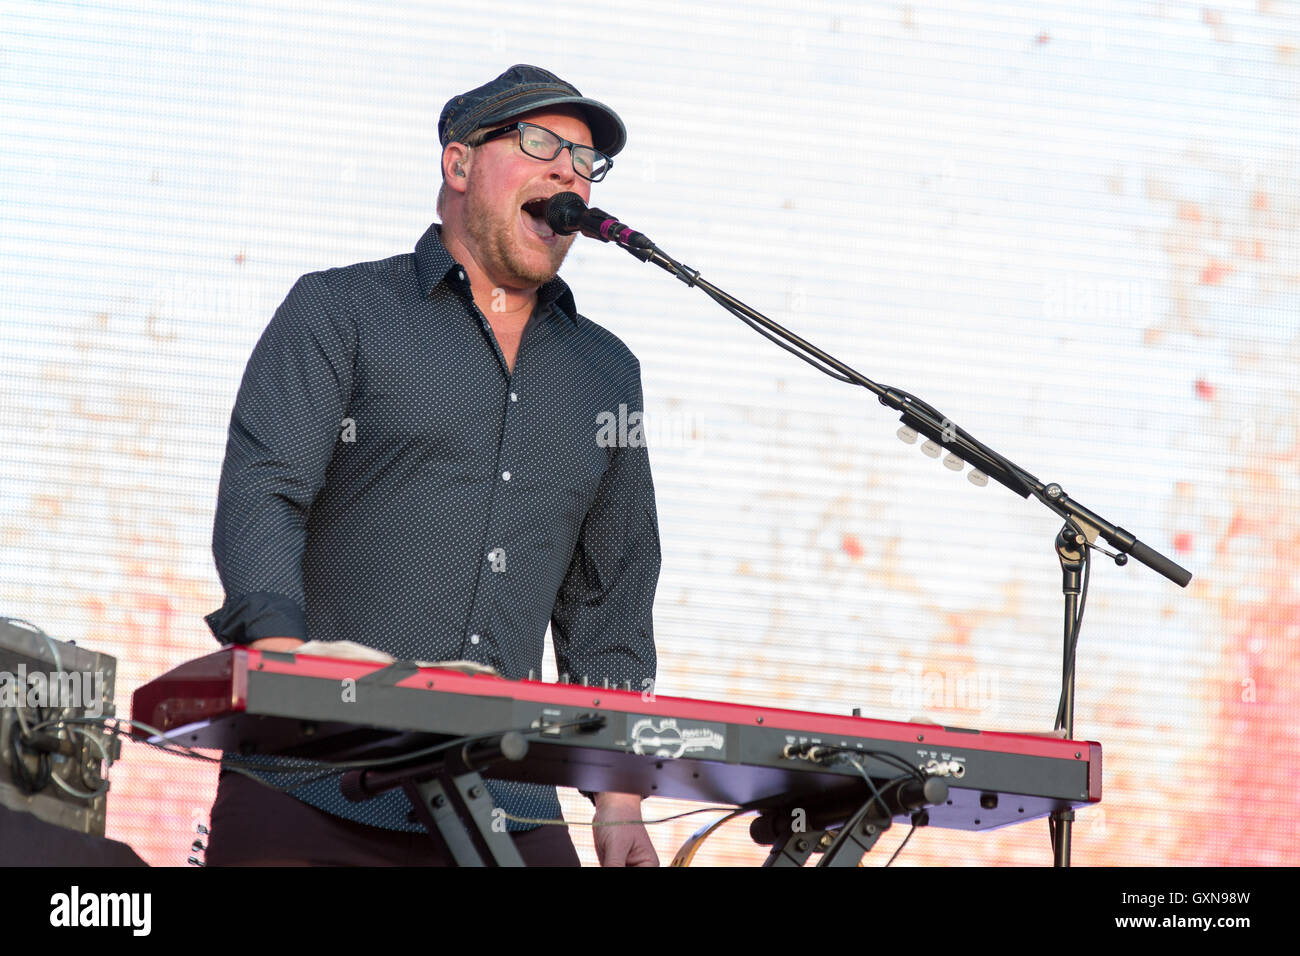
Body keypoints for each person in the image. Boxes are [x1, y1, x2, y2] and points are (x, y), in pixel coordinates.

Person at [201, 65, 661, 867]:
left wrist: (619, 798)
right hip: (311, 783)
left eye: (585, 161)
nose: (568, 171)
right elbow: (263, 493)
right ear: (457, 164)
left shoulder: (606, 374)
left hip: (510, 805)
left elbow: (609, 597)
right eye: (540, 143)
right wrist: (286, 665)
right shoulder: (339, 310)